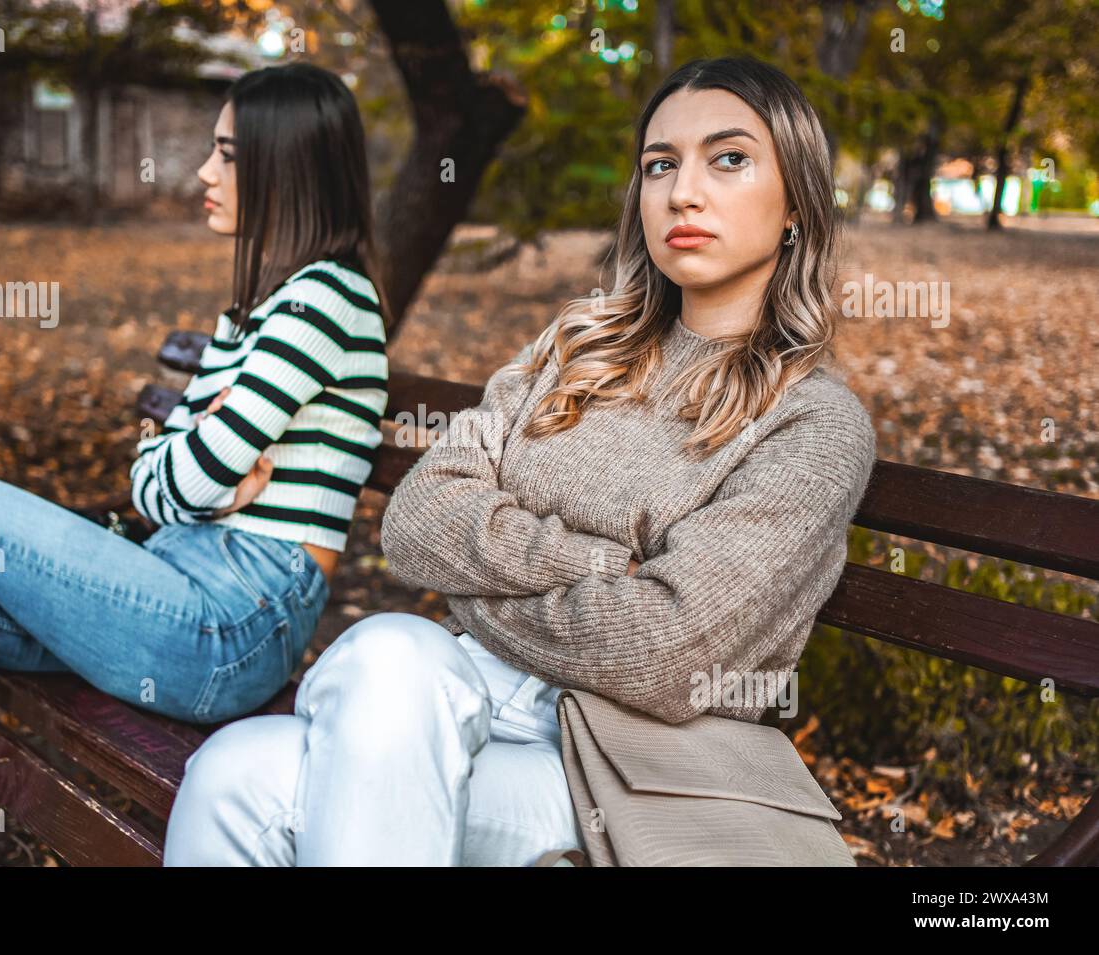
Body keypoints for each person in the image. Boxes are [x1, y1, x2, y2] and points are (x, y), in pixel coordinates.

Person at [162, 55, 876, 867]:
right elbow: (420, 519)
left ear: (796, 204)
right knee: (236, 765)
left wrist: (476, 591)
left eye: (730, 159)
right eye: (660, 165)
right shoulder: (577, 344)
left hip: (624, 767)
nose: (683, 192)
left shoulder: (813, 424)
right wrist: (609, 565)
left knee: (341, 693)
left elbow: (667, 656)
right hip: (456, 697)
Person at [0, 62, 387, 867]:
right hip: (172, 581)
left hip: (227, 623)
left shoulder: (328, 300)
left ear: (286, 166)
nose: (201, 173)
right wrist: (202, 477)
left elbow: (180, 479)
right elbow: (162, 480)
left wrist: (194, 476)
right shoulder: (258, 311)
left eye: (226, 155)